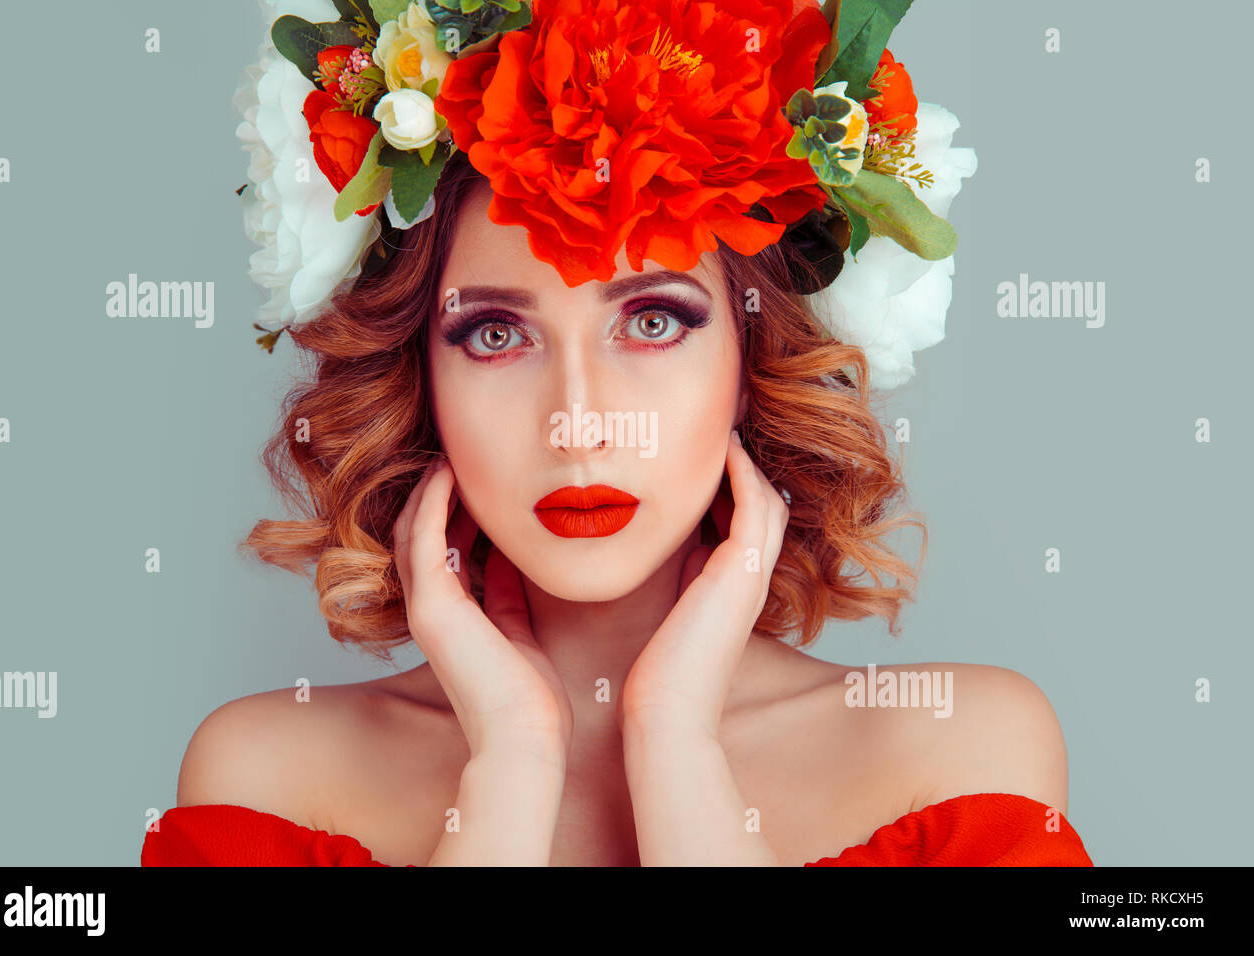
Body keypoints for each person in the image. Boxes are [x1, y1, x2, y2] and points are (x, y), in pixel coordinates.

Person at [143, 0, 1091, 866]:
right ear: (416, 378)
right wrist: (511, 762)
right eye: (496, 334)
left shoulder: (966, 756)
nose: (579, 421)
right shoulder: (265, 782)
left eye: (652, 321)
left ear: (751, 363)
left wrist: (676, 738)